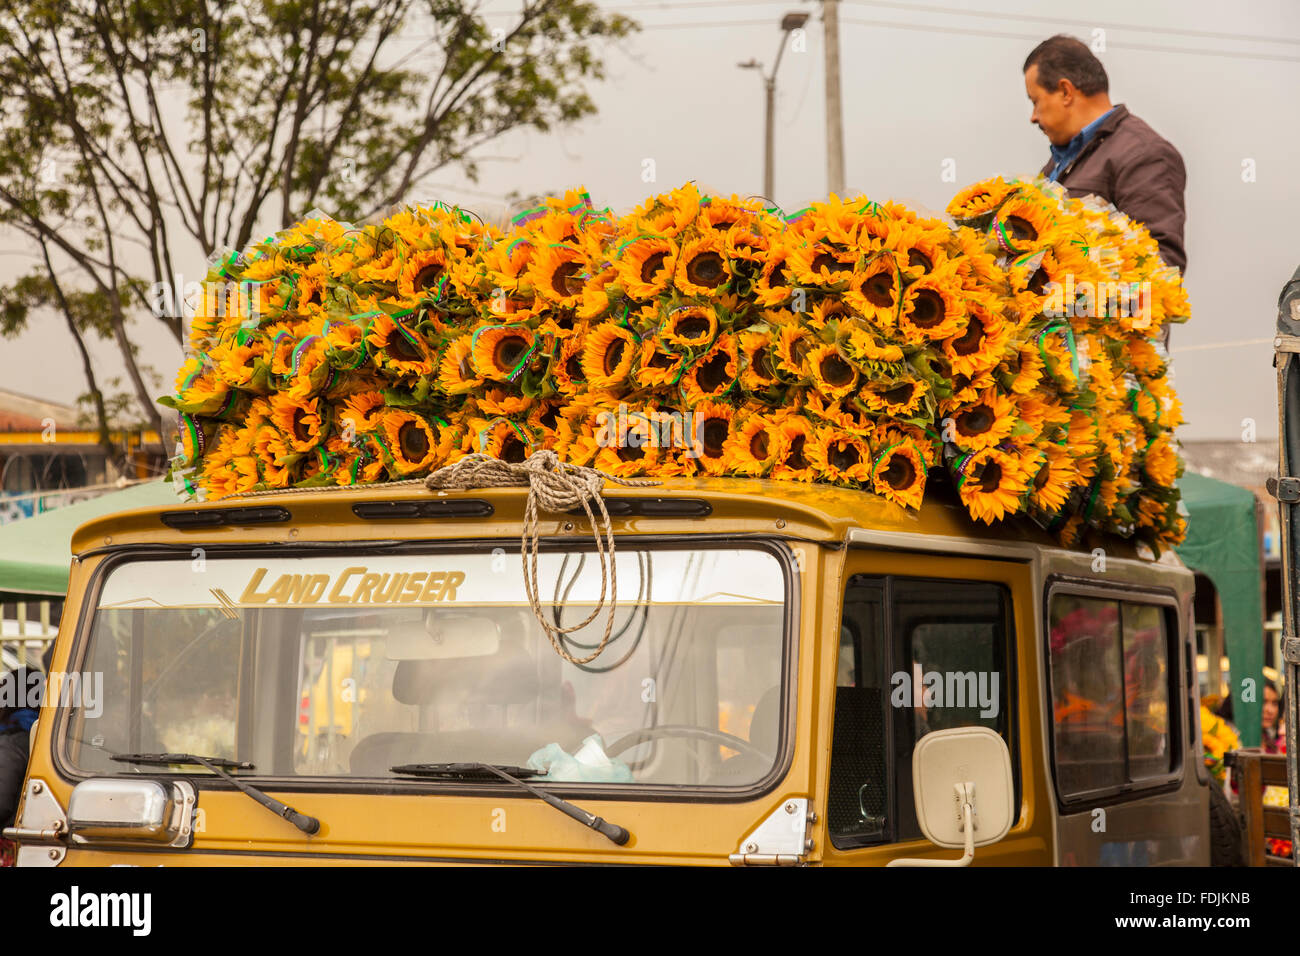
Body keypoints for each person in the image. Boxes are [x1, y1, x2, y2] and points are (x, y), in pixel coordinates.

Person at [1023, 35, 1187, 276]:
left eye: (1036, 101)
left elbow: (1159, 265)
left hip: (1096, 313)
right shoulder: (1060, 162)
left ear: (1066, 91)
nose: (1033, 116)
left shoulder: (1143, 153)